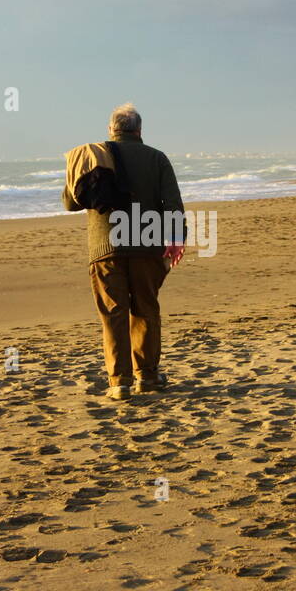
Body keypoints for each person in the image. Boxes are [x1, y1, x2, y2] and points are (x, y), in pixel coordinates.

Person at [61, 102, 185, 400]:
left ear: (111, 129)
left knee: (113, 314)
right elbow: (172, 202)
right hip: (148, 245)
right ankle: (148, 377)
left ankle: (119, 383)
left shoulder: (91, 155)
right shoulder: (157, 158)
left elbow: (70, 203)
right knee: (146, 309)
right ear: (139, 130)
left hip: (106, 247)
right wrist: (177, 238)